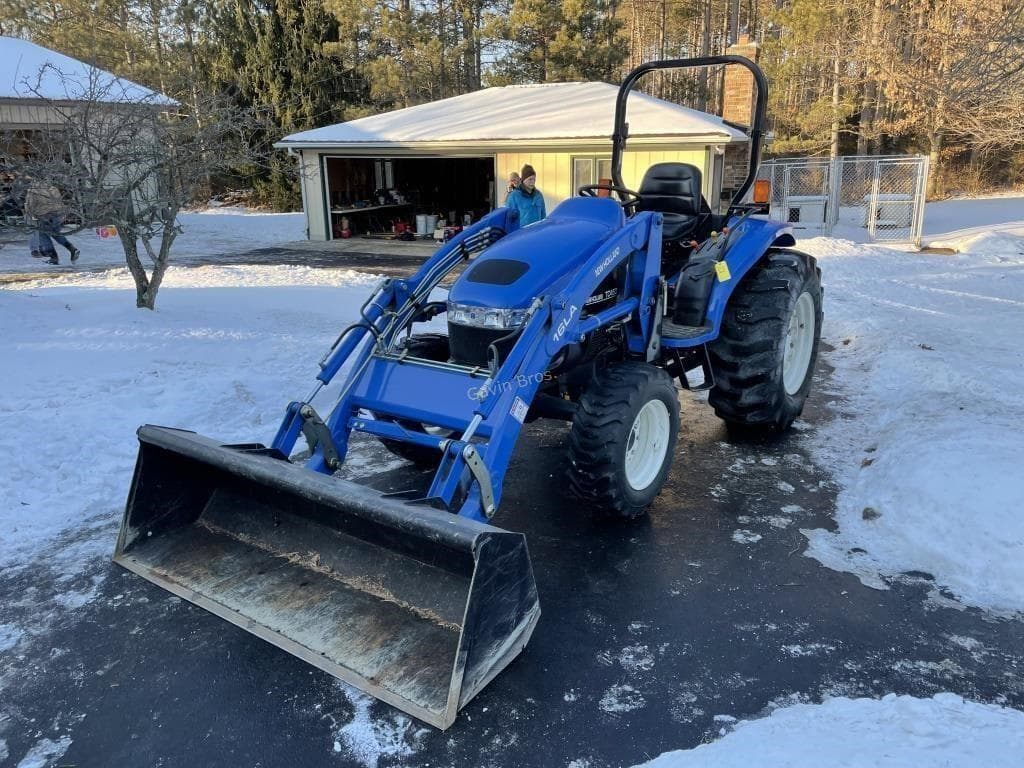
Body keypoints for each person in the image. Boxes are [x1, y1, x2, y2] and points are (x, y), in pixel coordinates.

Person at [25, 181, 79, 265]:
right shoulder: (53, 188)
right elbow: (59, 202)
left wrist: (30, 215)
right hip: (57, 215)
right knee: (55, 234)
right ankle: (72, 249)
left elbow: (29, 205)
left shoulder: (33, 191)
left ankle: (53, 257)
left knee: (43, 235)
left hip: (44, 215)